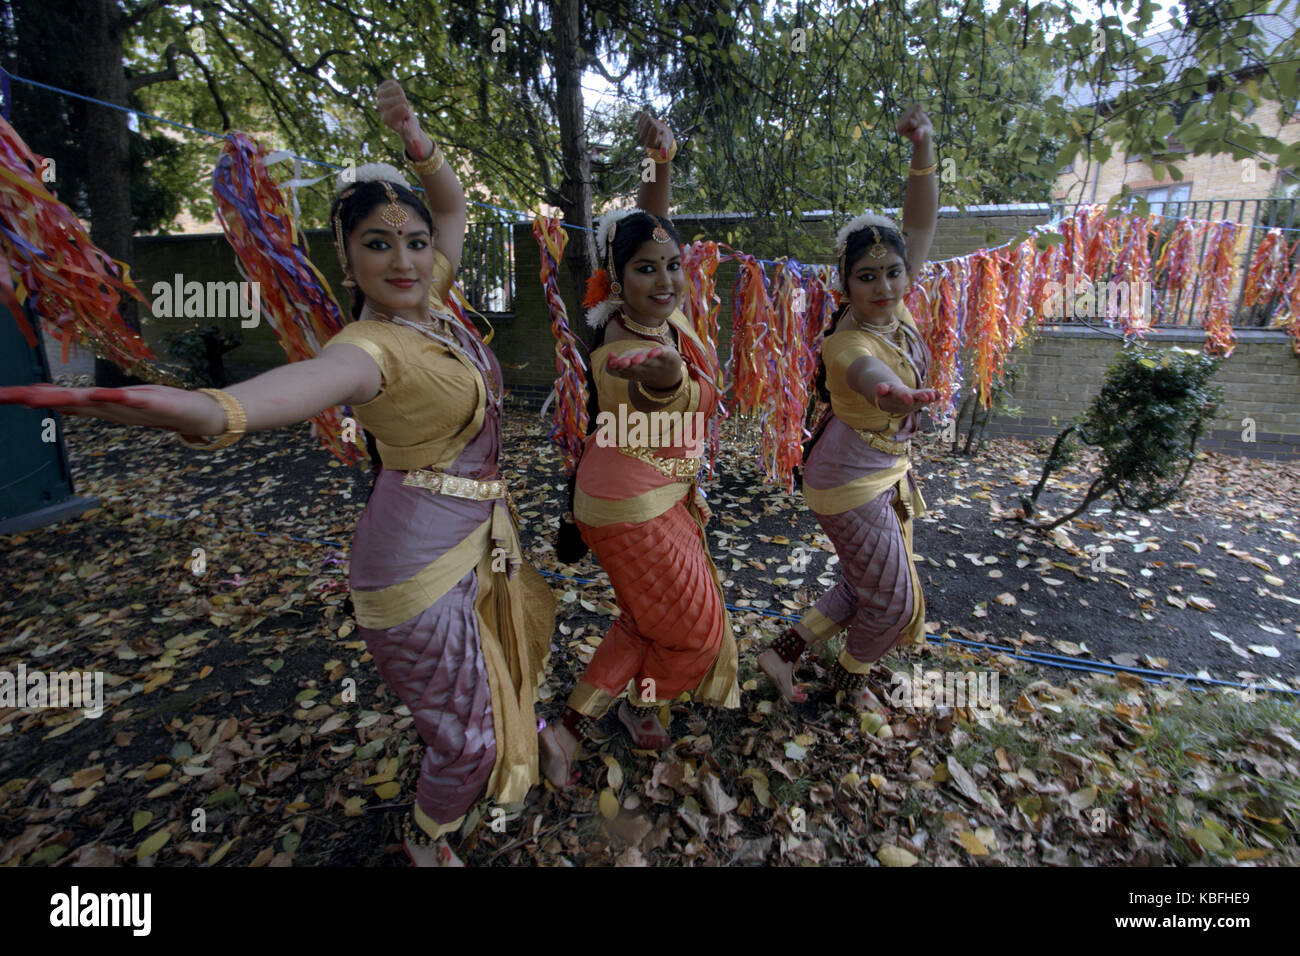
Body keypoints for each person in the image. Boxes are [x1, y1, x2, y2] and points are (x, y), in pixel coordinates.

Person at [0, 80, 554, 866]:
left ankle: (504, 762)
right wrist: (190, 409)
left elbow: (453, 207)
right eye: (377, 242)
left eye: (414, 241)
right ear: (346, 255)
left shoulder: (433, 301)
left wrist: (414, 132)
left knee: (502, 672)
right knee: (465, 737)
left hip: (483, 540)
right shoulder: (363, 351)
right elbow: (260, 401)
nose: (403, 258)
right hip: (417, 570)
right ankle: (426, 846)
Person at [538, 114, 738, 788]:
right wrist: (663, 373)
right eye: (644, 271)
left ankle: (569, 728)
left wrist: (661, 159)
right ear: (615, 282)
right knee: (696, 635)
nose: (665, 279)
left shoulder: (667, 311)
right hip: (630, 509)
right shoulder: (621, 347)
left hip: (660, 496)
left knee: (643, 619)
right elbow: (656, 376)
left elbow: (650, 226)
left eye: (672, 266)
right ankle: (638, 704)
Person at [758, 104, 940, 709]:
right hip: (846, 482)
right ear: (846, 285)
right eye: (867, 277)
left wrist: (923, 147)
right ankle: (849, 683)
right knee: (894, 600)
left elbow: (919, 221)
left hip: (877, 468)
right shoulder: (848, 341)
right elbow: (867, 375)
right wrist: (893, 393)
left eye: (892, 272)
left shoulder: (897, 308)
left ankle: (780, 654)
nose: (884, 286)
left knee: (865, 586)